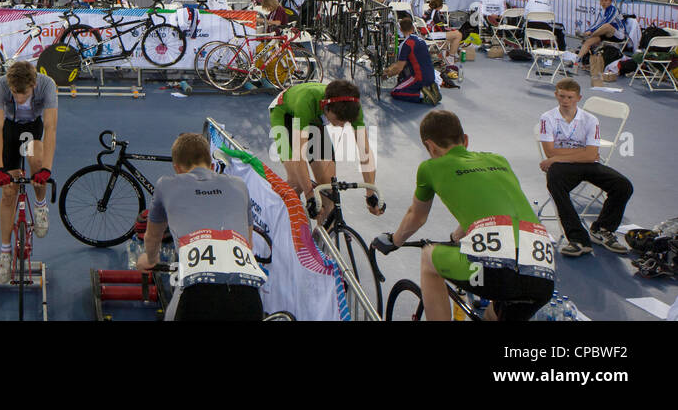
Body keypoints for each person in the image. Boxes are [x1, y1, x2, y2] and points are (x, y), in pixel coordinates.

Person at [372, 111, 555, 321]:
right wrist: (455, 237)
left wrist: (395, 241)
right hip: (543, 275)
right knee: (491, 315)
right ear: (465, 140)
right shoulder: (499, 160)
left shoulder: (430, 167)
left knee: (428, 256)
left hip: (497, 273)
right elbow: (492, 209)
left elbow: (417, 216)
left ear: (430, 146)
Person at [135, 132, 265, 321]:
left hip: (198, 293)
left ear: (177, 168)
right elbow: (248, 243)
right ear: (212, 166)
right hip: (247, 293)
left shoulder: (165, 184)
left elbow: (152, 237)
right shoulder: (239, 184)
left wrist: (150, 259)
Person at [538, 79, 633, 257]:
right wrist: (577, 152)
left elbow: (590, 156)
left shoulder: (590, 120)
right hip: (563, 167)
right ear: (556, 95)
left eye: (570, 97)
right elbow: (549, 152)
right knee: (555, 182)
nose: (565, 100)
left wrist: (558, 156)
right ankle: (578, 239)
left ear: (579, 98)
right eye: (562, 96)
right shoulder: (547, 118)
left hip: (586, 164)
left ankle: (602, 229)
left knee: (623, 185)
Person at [269, 79, 381, 224]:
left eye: (346, 122)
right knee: (296, 181)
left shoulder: (353, 107)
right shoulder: (306, 100)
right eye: (339, 120)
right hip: (285, 114)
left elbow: (365, 151)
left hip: (314, 120)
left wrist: (370, 192)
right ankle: (272, 216)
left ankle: (318, 243)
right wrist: (310, 196)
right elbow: (299, 156)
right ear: (326, 107)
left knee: (329, 190)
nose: (342, 126)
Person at [0, 61, 58, 283]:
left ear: (34, 84)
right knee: (8, 192)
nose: (19, 99)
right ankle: (5, 250)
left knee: (35, 160)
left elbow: (51, 128)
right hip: (10, 129)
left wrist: (46, 169)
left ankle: (40, 206)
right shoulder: (1, 85)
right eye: (15, 94)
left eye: (24, 94)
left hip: (32, 129)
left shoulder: (47, 85)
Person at [383, 13, 442, 104]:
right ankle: (428, 88)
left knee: (396, 92)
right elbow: (402, 63)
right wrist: (388, 69)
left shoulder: (405, 44)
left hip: (418, 77)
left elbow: (399, 68)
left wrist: (387, 75)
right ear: (413, 28)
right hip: (431, 75)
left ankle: (424, 95)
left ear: (401, 30)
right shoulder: (421, 40)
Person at [423, 0, 463, 83]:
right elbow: (441, 27)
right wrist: (450, 30)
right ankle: (451, 57)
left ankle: (445, 54)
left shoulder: (429, 11)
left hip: (427, 33)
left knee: (451, 35)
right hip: (431, 34)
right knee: (458, 35)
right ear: (440, 6)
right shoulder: (435, 12)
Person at [574, 0, 623, 65]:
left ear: (610, 2)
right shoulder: (602, 11)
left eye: (606, 1)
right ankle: (576, 61)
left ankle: (586, 36)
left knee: (607, 26)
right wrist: (587, 31)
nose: (603, 3)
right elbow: (596, 23)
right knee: (588, 42)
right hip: (604, 33)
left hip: (617, 34)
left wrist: (591, 32)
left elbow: (606, 22)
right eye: (602, 1)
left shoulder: (614, 9)